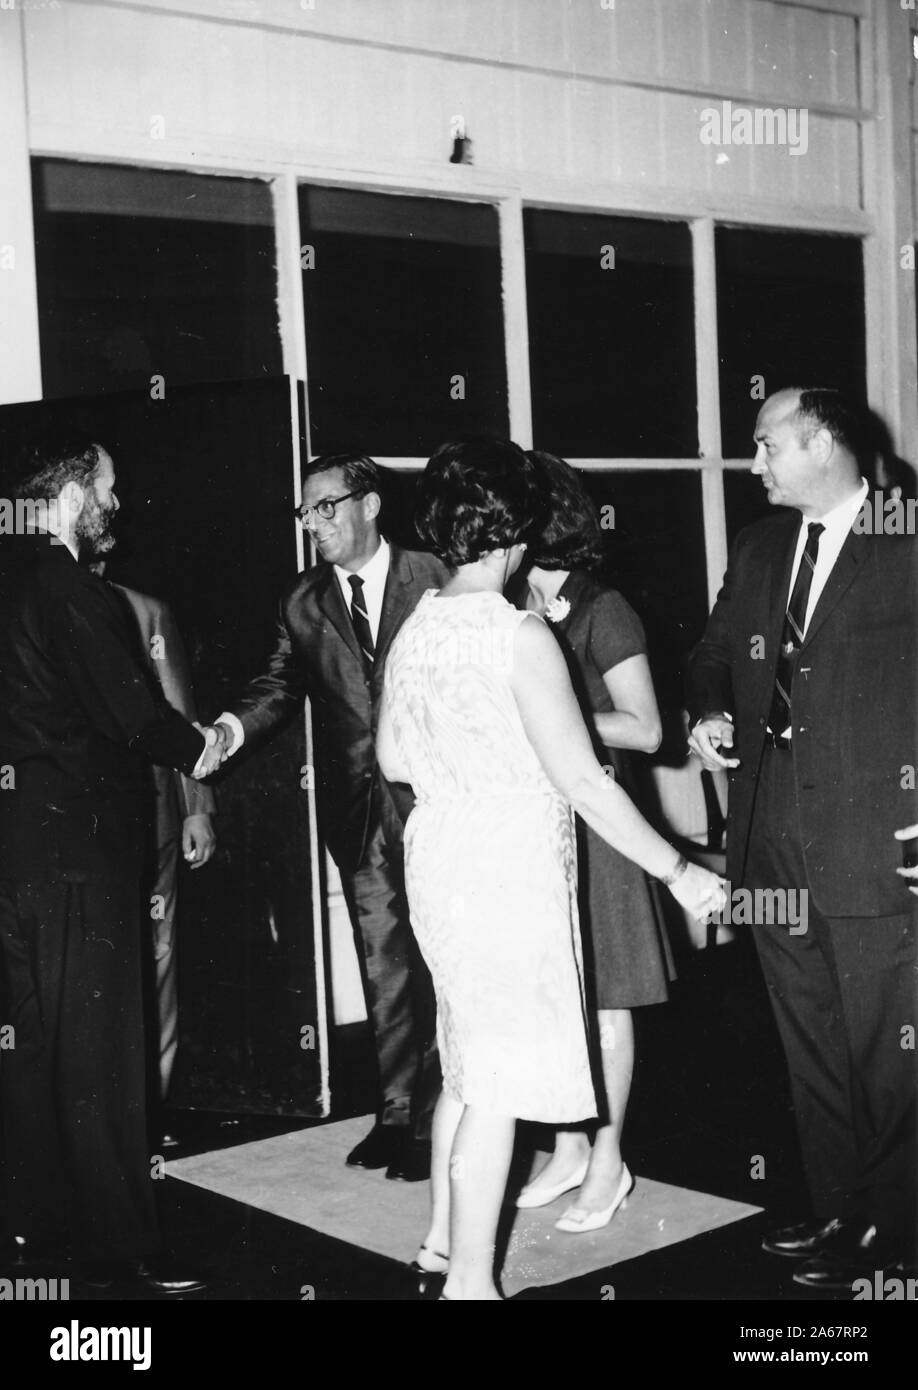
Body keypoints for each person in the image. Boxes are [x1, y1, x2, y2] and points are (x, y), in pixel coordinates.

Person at [376, 439, 725, 1300]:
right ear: (514, 532)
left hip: (440, 854)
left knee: (463, 1058)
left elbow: (391, 756)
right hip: (508, 862)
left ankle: (435, 1242)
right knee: (495, 1080)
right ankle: (469, 1284)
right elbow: (582, 781)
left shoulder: (417, 623)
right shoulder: (519, 633)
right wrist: (681, 873)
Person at [687, 387, 917, 1290]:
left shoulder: (906, 533)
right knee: (809, 1035)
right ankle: (840, 1211)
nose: (754, 464)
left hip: (876, 838)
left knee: (887, 1044)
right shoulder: (760, 547)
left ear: (821, 443)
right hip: (770, 837)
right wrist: (708, 709)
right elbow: (712, 652)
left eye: (764, 445)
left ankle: (897, 1234)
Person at [0, 435, 212, 1290]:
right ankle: (125, 1249)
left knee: (26, 1050)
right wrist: (209, 745)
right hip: (80, 857)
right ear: (71, 495)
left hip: (10, 854)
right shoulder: (73, 592)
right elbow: (137, 722)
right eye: (107, 488)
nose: (114, 505)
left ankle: (33, 1237)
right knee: (103, 1056)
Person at [206, 452, 447, 1180]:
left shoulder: (437, 576)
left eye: (326, 506)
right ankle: (399, 1109)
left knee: (449, 957)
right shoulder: (303, 599)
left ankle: (442, 1118)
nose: (314, 523)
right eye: (305, 511)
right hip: (359, 808)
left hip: (443, 799)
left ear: (369, 505)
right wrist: (227, 731)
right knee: (384, 961)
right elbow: (279, 684)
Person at [513, 451, 674, 1232]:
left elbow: (645, 728)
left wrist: (549, 714)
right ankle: (569, 1146)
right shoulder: (508, 605)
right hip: (530, 822)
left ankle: (610, 1160)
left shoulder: (603, 608)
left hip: (601, 827)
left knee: (607, 999)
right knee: (550, 998)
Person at [92, 564, 217, 1119]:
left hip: (153, 814)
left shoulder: (146, 612)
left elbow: (182, 721)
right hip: (70, 821)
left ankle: (151, 1106)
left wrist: (198, 810)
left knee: (156, 955)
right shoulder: (34, 604)